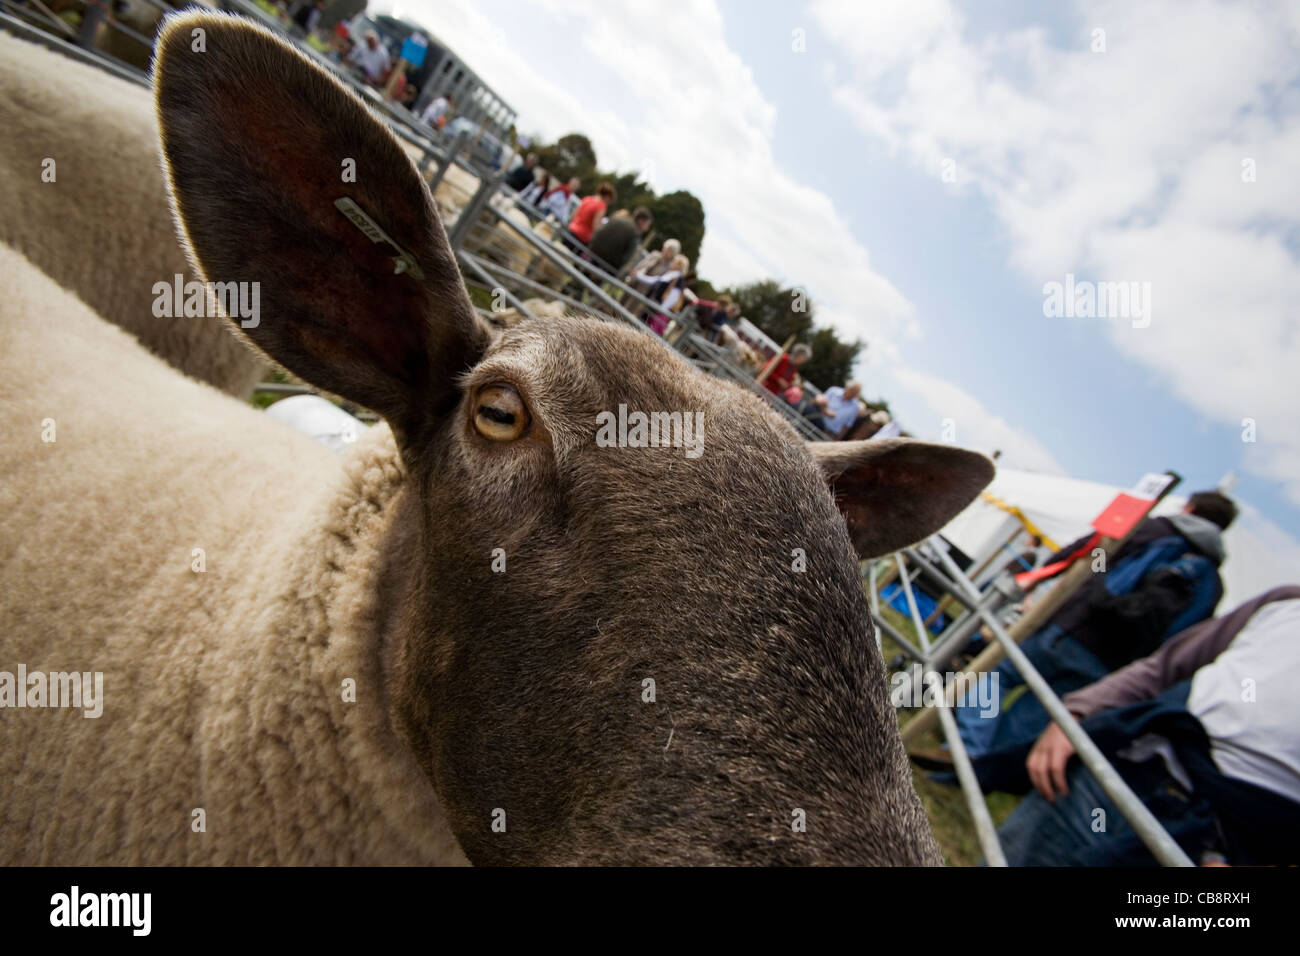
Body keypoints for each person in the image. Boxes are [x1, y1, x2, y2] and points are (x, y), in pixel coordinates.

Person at [920, 490, 1238, 779]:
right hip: (1110, 663)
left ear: (1190, 507)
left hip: (1072, 626)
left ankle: (967, 749)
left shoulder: (1153, 529)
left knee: (994, 673)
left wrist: (1064, 578)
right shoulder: (1212, 586)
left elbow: (1088, 549)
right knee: (1040, 711)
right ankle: (972, 773)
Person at [994, 586, 1300, 866]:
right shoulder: (1284, 603)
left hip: (1214, 845)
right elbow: (1163, 667)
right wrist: (1076, 715)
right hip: (1119, 773)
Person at [589, 208, 654, 276]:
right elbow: (627, 258)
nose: (647, 229)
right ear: (641, 221)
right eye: (647, 225)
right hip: (606, 267)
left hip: (591, 254)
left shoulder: (618, 218)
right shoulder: (635, 234)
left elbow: (599, 233)